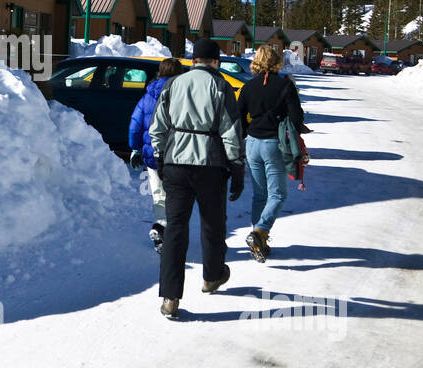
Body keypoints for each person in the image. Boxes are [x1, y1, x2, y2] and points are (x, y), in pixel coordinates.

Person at [149, 38, 246, 320]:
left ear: (194, 60)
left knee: (176, 229)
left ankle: (170, 297)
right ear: (215, 61)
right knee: (213, 224)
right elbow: (230, 130)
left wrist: (160, 157)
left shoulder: (173, 84)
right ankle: (212, 277)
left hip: (175, 165)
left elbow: (158, 127)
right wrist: (236, 167)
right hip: (210, 165)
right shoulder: (221, 86)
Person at [236, 44, 309, 261]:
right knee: (278, 194)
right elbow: (297, 118)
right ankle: (259, 232)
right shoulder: (285, 86)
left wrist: (249, 130)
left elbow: (238, 116)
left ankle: (259, 243)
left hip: (252, 144)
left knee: (260, 194)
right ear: (277, 61)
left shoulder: (248, 87)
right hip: (274, 144)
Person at [129, 57, 184, 253]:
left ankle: (160, 228)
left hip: (152, 154)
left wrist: (135, 148)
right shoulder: (181, 94)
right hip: (177, 154)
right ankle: (169, 231)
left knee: (159, 195)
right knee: (177, 196)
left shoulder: (147, 96)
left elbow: (135, 124)